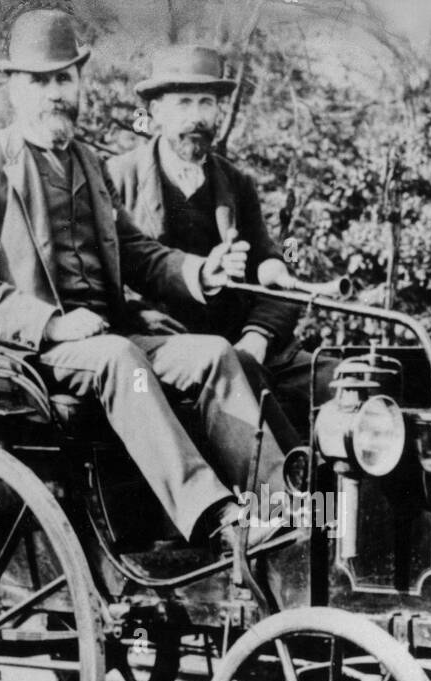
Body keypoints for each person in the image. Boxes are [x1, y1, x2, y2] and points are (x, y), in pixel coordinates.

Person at [0, 10, 288, 551]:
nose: (56, 93)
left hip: (104, 339)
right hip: (23, 355)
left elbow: (137, 252)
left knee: (216, 353)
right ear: (15, 89)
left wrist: (199, 271)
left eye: (65, 78)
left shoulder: (88, 165)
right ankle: (212, 514)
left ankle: (280, 507)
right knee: (122, 361)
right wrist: (53, 324)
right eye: (41, 81)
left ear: (79, 82)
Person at [105, 45, 335, 439]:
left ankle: (375, 501)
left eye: (207, 103)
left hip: (246, 349)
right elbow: (107, 280)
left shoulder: (236, 183)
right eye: (184, 103)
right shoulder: (116, 179)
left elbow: (275, 275)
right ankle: (291, 492)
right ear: (156, 112)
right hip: (166, 356)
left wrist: (258, 336)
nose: (197, 117)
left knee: (350, 388)